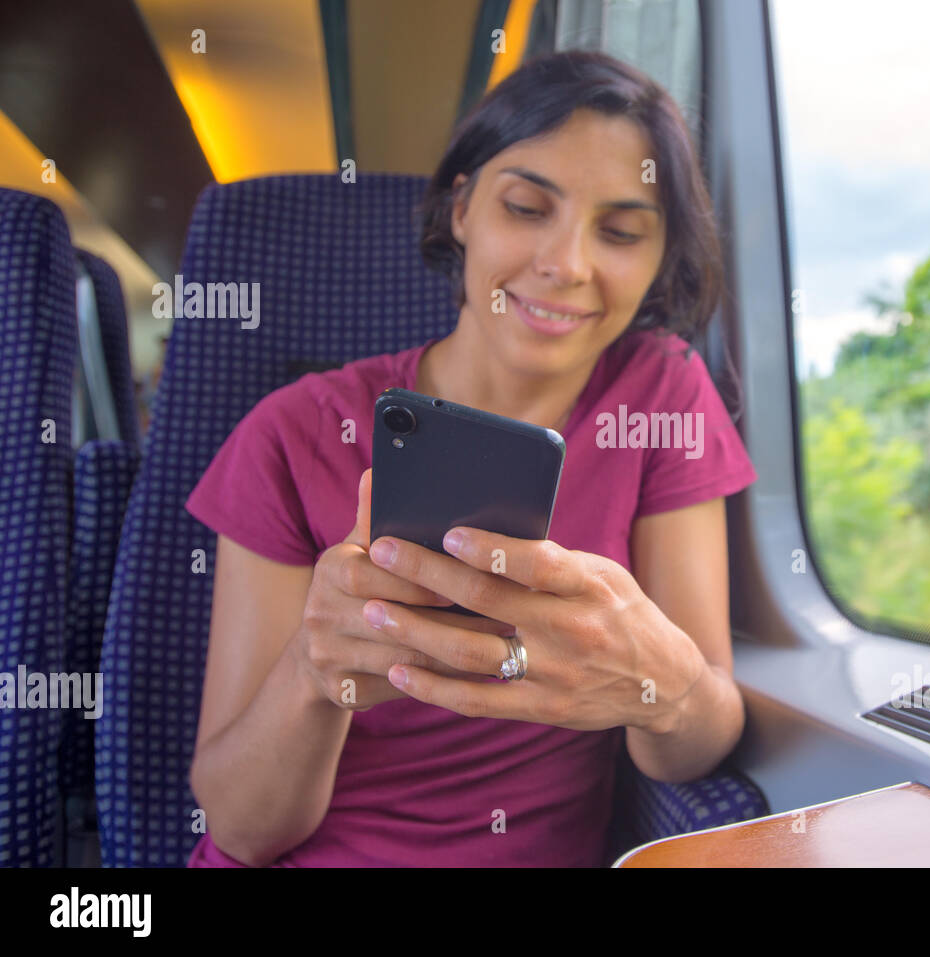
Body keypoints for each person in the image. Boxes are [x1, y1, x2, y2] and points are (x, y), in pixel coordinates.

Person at [185, 49, 757, 867]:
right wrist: (315, 672)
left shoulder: (660, 395)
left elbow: (695, 736)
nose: (566, 264)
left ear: (660, 255)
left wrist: (660, 683)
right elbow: (242, 828)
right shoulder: (293, 430)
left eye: (622, 231)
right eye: (527, 208)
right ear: (462, 210)